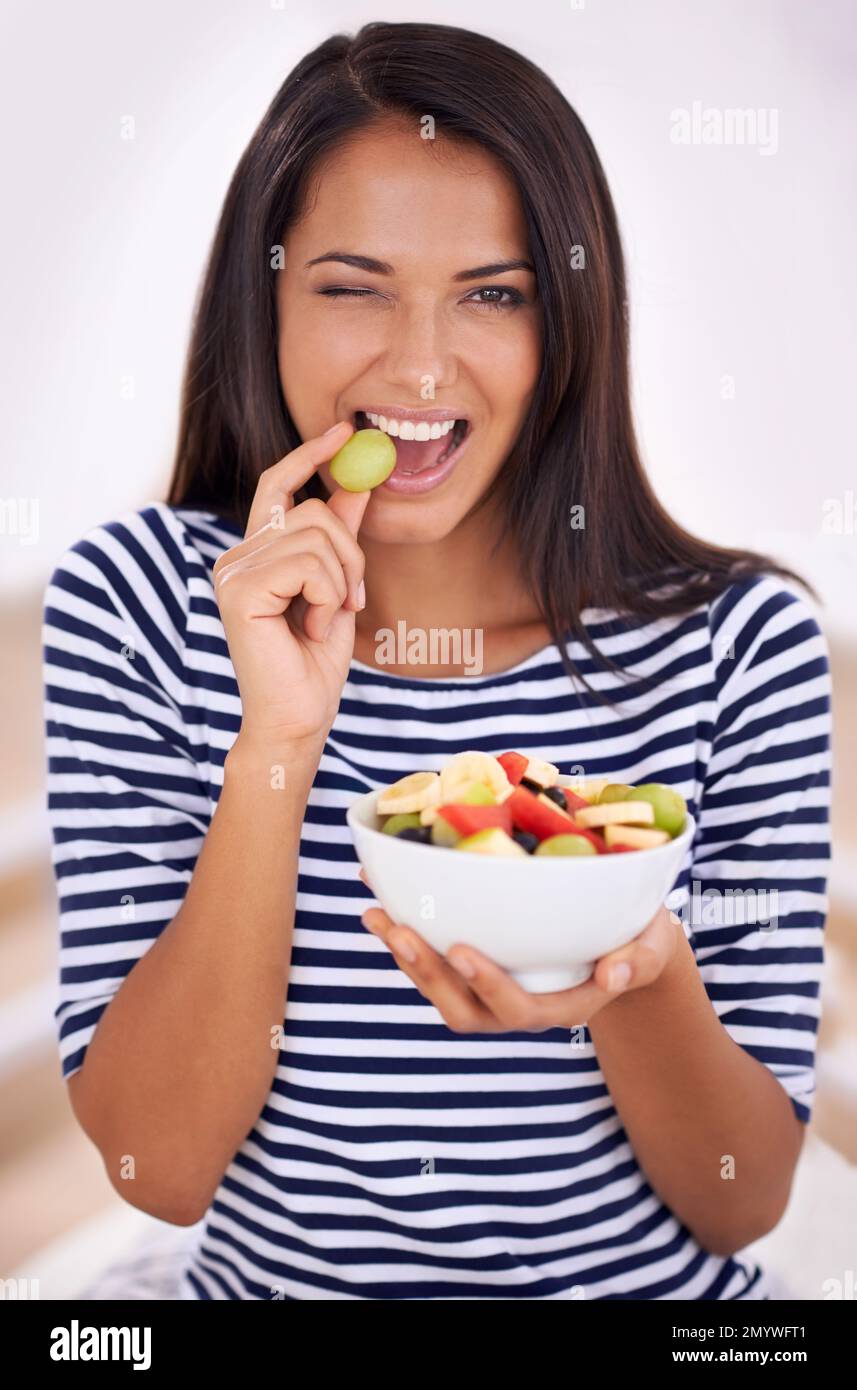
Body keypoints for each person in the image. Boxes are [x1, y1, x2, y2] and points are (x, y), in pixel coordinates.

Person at [43, 21, 831, 1300]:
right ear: (269, 299)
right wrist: (278, 746)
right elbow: (160, 1164)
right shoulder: (138, 604)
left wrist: (629, 966)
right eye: (352, 286)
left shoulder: (739, 646)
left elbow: (739, 1201)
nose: (418, 366)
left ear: (568, 318)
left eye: (493, 293)